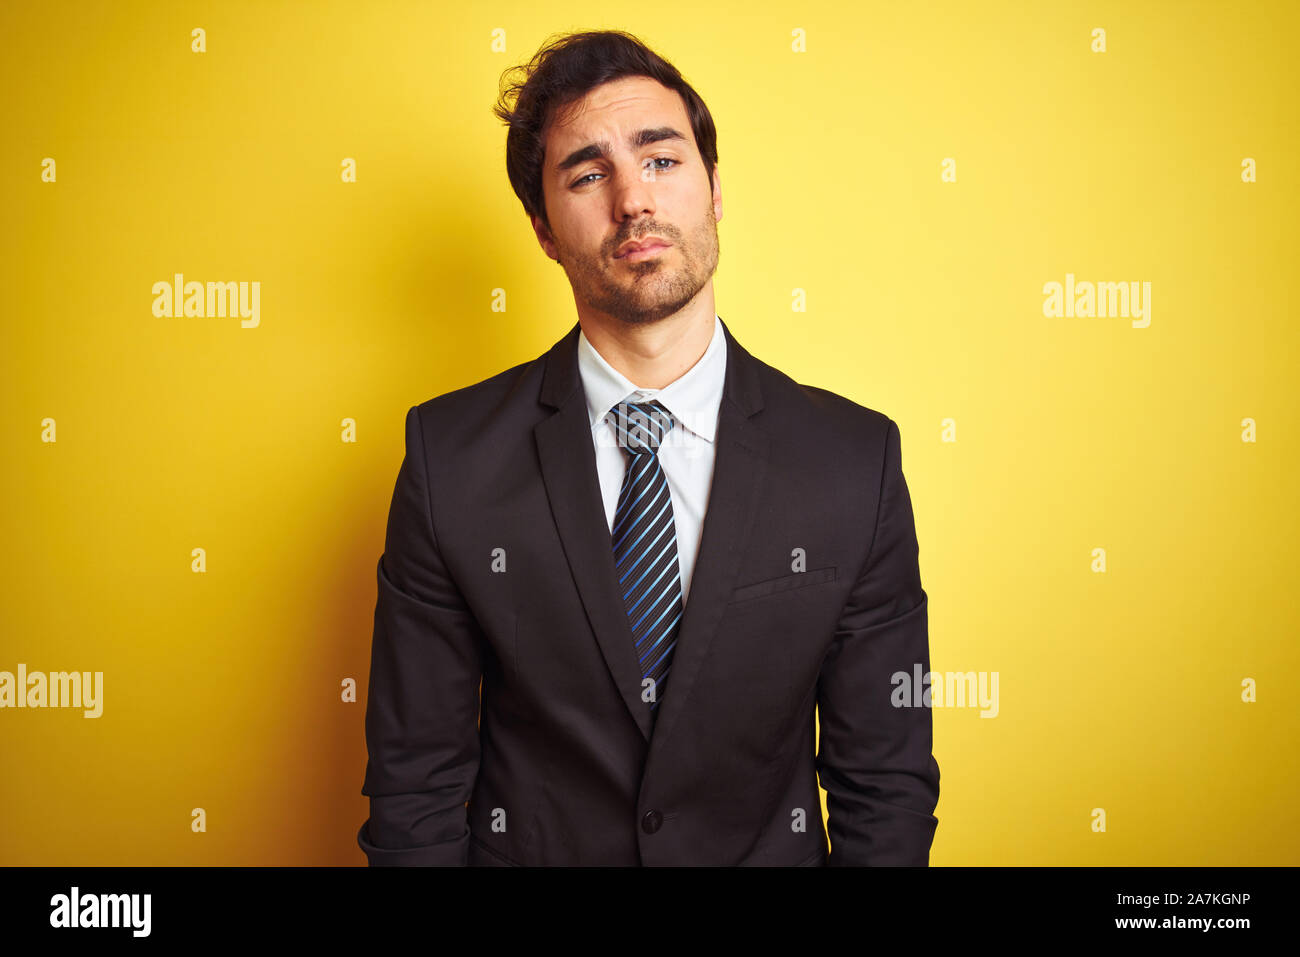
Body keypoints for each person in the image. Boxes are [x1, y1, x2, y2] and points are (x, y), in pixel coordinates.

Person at [356, 29, 939, 866]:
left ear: (714, 191)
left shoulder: (853, 461)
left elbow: (885, 783)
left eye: (661, 160)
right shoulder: (450, 460)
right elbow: (415, 782)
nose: (634, 199)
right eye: (589, 175)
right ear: (544, 231)